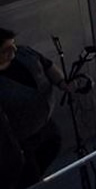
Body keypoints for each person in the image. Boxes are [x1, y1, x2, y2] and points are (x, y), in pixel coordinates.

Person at [0, 27, 69, 189]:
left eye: (14, 45)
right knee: (28, 177)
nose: (14, 50)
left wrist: (62, 83)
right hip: (19, 141)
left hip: (45, 124)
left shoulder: (25, 55)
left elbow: (47, 66)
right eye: (6, 49)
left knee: (53, 145)